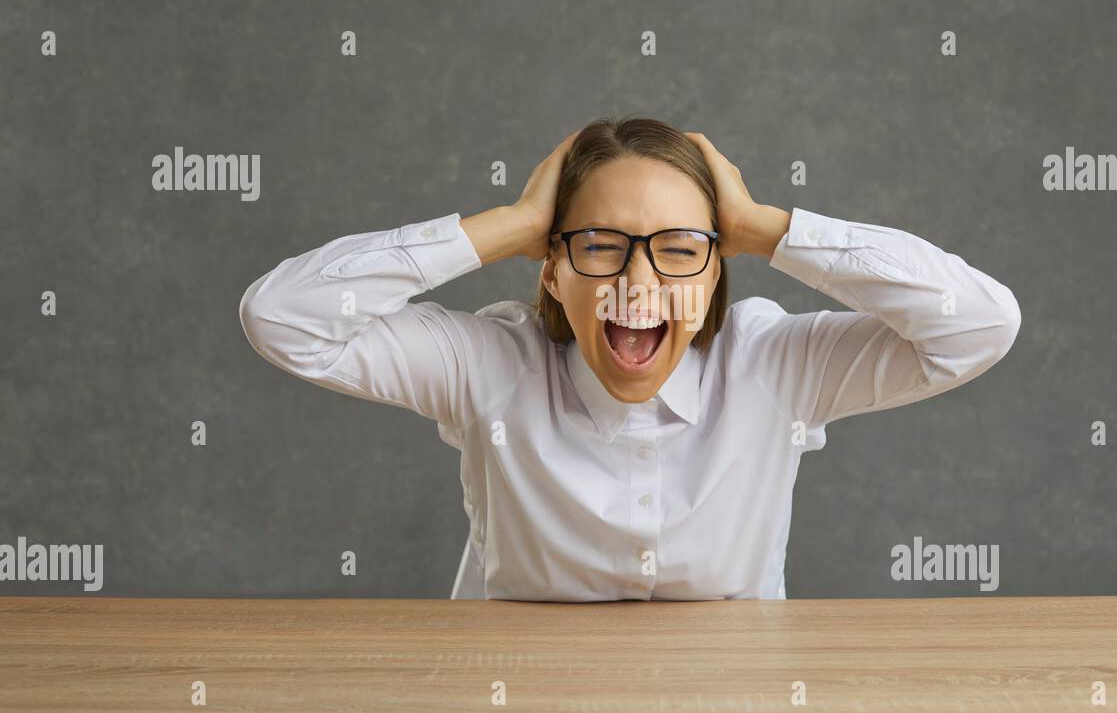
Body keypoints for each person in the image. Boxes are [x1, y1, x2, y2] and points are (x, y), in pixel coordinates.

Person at [238, 116, 1021, 601]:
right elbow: (283, 318)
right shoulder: (489, 365)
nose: (637, 284)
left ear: (717, 268)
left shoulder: (774, 366)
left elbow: (977, 325)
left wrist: (768, 227)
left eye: (680, 250)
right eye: (600, 246)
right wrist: (505, 227)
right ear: (552, 267)